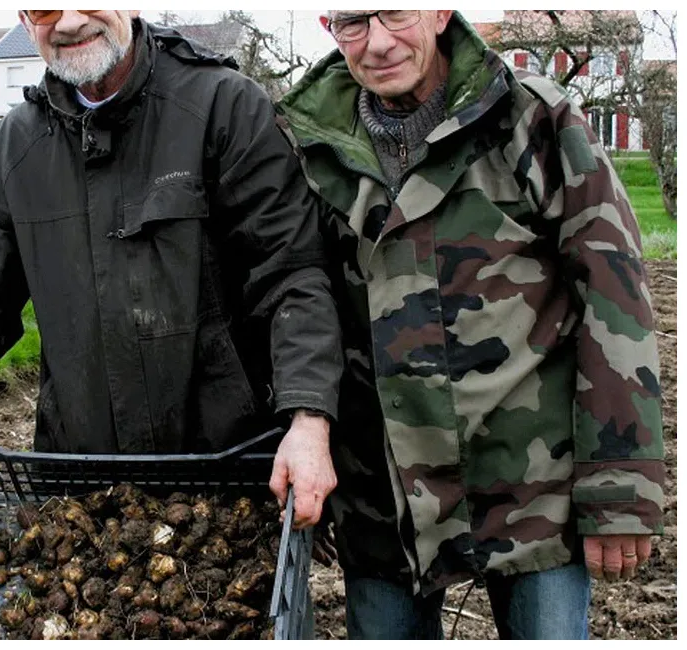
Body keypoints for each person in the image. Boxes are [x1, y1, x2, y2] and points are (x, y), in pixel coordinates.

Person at [277, 9, 665, 639]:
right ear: (326, 23)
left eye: (395, 14)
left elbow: (614, 296)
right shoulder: (307, 142)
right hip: (382, 501)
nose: (376, 43)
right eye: (352, 22)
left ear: (439, 11)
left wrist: (620, 487)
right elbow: (295, 298)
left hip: (533, 490)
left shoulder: (532, 119)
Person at [0, 10, 342, 528]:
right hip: (81, 494)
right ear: (26, 21)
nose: (70, 21)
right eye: (45, 8)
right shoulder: (18, 145)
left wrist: (308, 418)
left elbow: (291, 277)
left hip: (224, 484)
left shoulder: (222, 106)